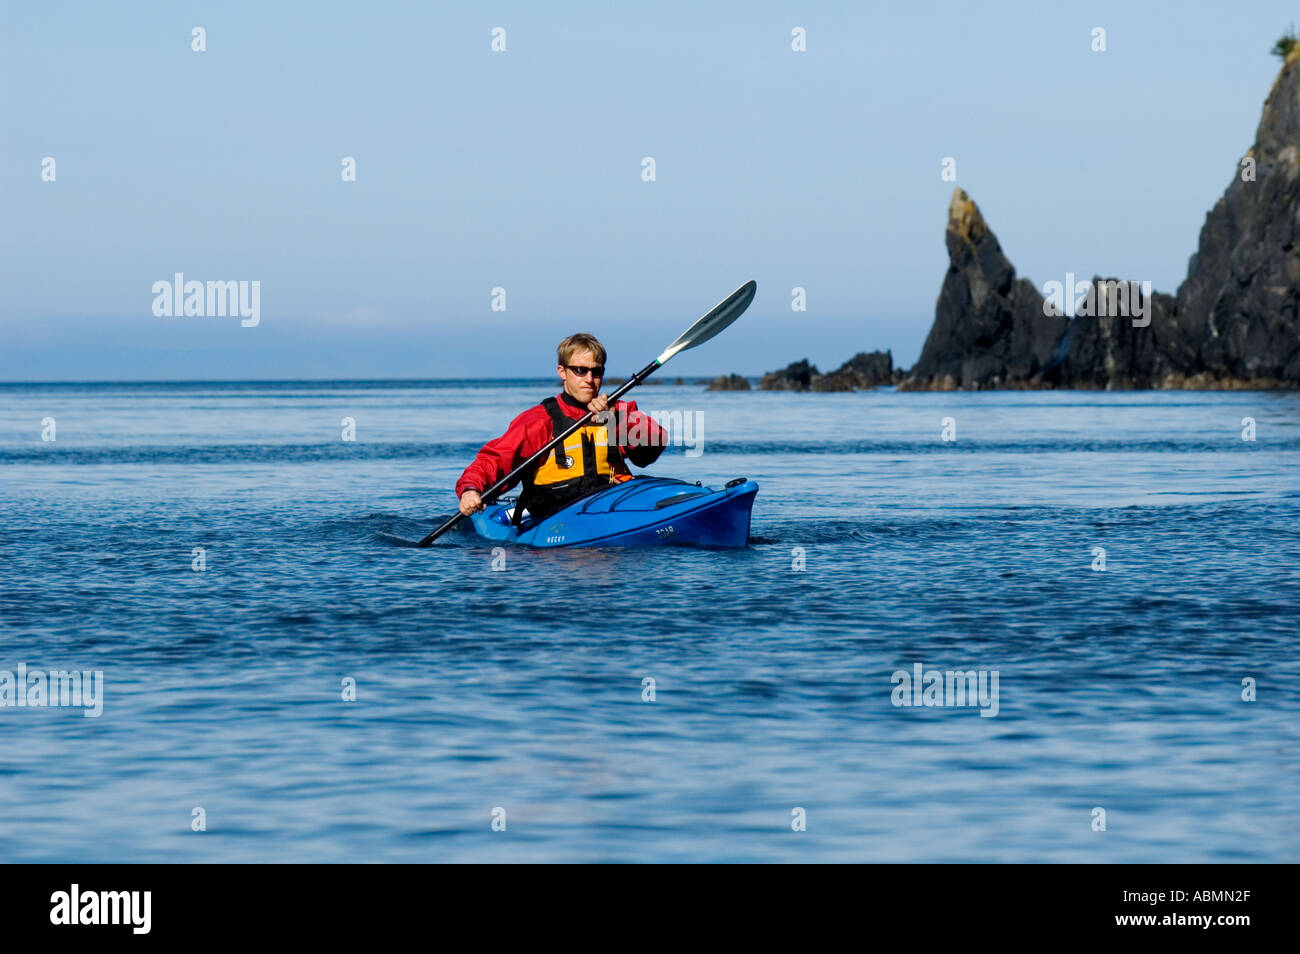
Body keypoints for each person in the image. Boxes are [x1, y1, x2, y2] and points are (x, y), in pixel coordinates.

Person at [455, 334, 668, 523]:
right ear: (562, 372)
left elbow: (655, 445)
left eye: (596, 372)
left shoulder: (619, 412)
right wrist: (470, 490)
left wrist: (616, 419)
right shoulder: (538, 421)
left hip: (613, 509)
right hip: (554, 520)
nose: (589, 380)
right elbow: (493, 460)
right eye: (580, 370)